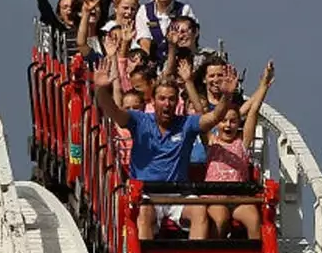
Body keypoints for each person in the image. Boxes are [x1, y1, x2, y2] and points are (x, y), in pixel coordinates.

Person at [94, 62, 236, 240]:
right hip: (147, 193)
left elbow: (214, 117)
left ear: (177, 102)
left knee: (199, 211)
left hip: (178, 194)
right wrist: (101, 90)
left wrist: (226, 97)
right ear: (153, 101)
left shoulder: (186, 123)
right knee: (144, 212)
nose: (166, 104)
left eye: (171, 99)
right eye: (162, 99)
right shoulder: (139, 120)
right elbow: (113, 111)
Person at [194, 61, 274, 240]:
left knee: (253, 218)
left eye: (232, 121)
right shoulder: (212, 142)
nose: (228, 125)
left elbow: (253, 111)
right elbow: (200, 114)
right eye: (224, 121)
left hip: (238, 198)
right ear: (217, 123)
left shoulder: (242, 143)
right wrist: (189, 83)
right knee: (220, 219)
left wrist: (264, 85)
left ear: (238, 124)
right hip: (216, 198)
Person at [135, 0, 195, 67]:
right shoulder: (144, 11)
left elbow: (189, 42)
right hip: (154, 67)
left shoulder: (185, 10)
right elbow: (144, 42)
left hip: (180, 66)